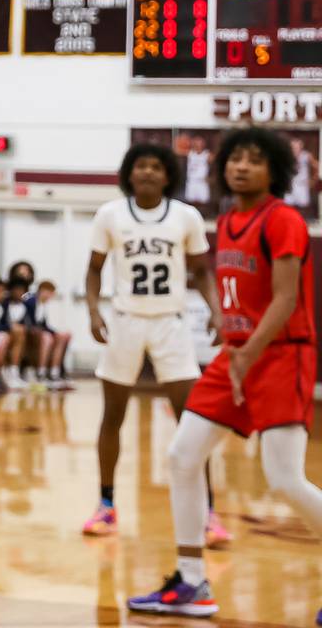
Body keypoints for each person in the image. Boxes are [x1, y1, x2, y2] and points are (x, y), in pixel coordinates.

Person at [128, 128, 321, 620]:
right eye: (235, 158)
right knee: (182, 456)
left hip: (279, 355)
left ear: (274, 170)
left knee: (284, 480)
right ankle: (192, 583)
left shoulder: (283, 220)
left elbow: (285, 298)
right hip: (236, 354)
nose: (241, 166)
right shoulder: (230, 219)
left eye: (255, 160)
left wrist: (248, 351)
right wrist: (235, 346)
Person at [83, 143, 224, 543]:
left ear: (168, 176)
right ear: (129, 173)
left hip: (170, 322)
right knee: (113, 415)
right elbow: (93, 270)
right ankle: (106, 505)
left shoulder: (186, 217)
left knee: (192, 419)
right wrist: (94, 311)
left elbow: (201, 271)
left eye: (155, 167)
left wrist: (215, 310)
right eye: (140, 166)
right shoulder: (109, 215)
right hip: (126, 321)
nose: (147, 172)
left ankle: (209, 511)